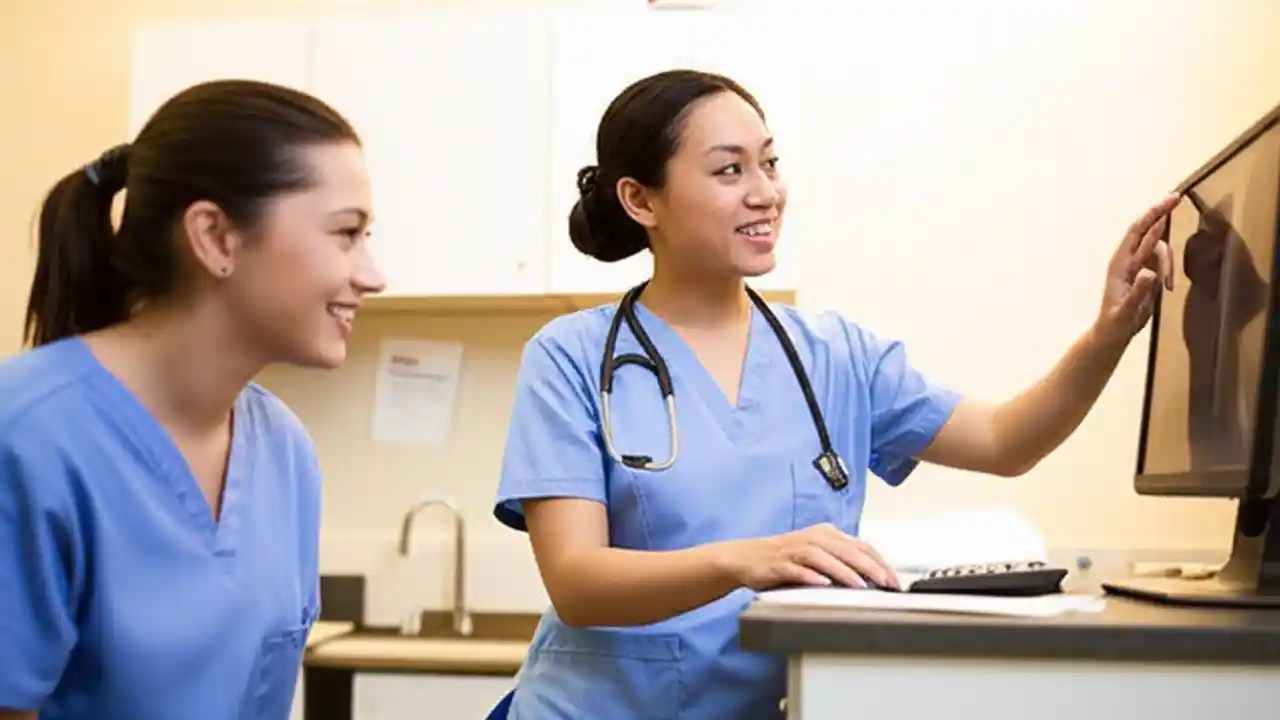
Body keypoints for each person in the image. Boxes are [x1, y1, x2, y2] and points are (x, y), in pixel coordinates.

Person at [491, 69, 1176, 718]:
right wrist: (744, 559)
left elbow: (1005, 441)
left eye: (770, 162)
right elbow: (577, 583)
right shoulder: (573, 356)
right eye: (730, 170)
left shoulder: (835, 355)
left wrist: (1110, 331)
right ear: (641, 200)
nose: (765, 192)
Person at [0, 79, 385, 719]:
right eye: (346, 234)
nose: (373, 274)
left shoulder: (285, 450)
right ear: (215, 237)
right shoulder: (29, 436)